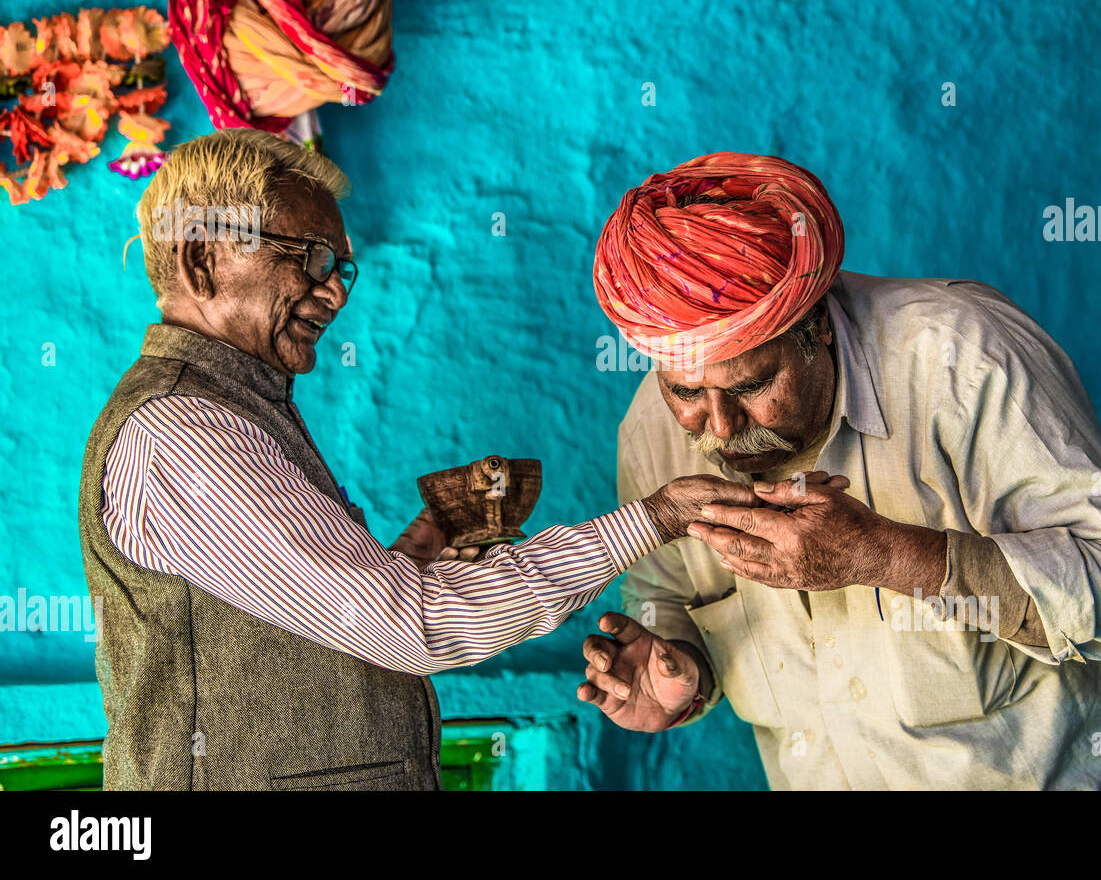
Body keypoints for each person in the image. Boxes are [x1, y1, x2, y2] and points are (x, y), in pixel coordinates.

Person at [577, 150, 1101, 790]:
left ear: (817, 323)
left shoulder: (963, 359)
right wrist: (680, 668)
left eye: (754, 383)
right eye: (687, 392)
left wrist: (883, 554)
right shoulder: (654, 430)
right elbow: (667, 596)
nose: (721, 424)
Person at [79, 129, 753, 790]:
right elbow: (411, 626)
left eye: (342, 268)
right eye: (311, 259)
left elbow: (340, 614)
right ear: (202, 261)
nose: (337, 292)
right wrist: (655, 518)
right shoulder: (180, 432)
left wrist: (427, 541)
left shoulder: (238, 407)